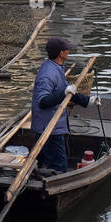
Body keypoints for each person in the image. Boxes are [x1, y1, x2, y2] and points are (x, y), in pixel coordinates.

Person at [32, 37, 91, 174]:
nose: (69, 52)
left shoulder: (57, 67)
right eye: (67, 49)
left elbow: (68, 92)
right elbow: (43, 101)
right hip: (49, 127)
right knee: (59, 165)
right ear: (61, 53)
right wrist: (63, 92)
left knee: (44, 160)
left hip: (54, 124)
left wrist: (87, 101)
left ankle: (42, 174)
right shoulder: (47, 74)